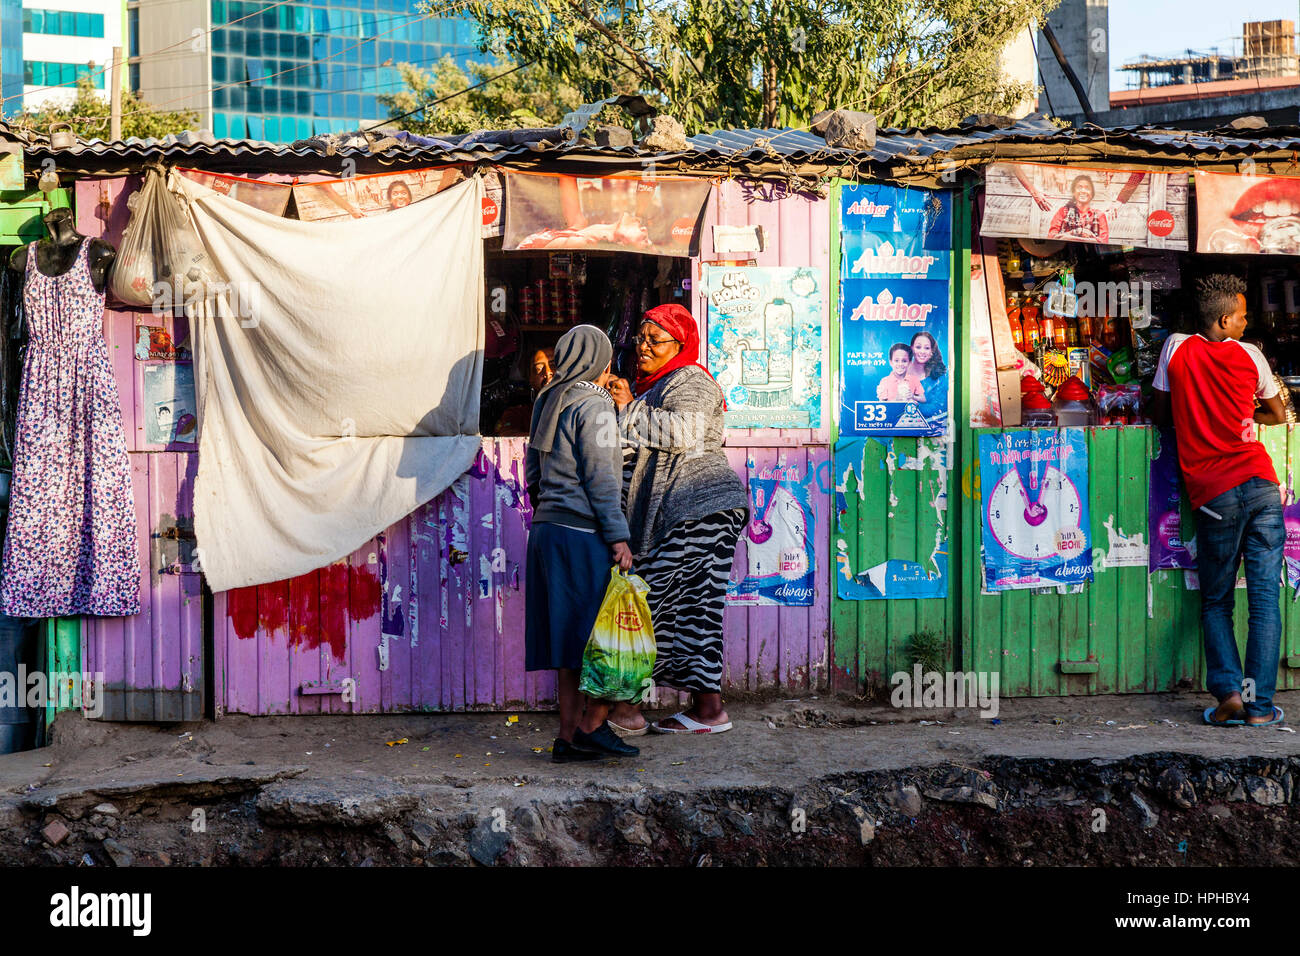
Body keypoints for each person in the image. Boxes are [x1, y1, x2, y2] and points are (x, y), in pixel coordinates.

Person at [1149, 273, 1288, 727]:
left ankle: (1230, 695)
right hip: (1263, 486)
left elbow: (1159, 410)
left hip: (1216, 496)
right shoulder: (1252, 358)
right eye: (1243, 316)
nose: (1248, 323)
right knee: (1265, 601)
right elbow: (1277, 412)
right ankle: (1260, 709)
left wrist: (1199, 409)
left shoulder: (1175, 348)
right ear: (1224, 320)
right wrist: (1240, 409)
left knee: (1217, 601)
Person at [605, 304, 748, 736]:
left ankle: (625, 710)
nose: (644, 347)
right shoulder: (658, 385)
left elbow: (685, 432)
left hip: (697, 506)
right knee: (692, 608)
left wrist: (628, 408)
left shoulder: (691, 380)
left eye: (656, 340)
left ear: (680, 345)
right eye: (641, 338)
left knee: (655, 603)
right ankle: (706, 710)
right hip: (682, 511)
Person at [525, 325, 640, 761]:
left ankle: (567, 738)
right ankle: (593, 726)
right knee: (599, 637)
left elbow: (533, 474)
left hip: (546, 531)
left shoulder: (546, 399)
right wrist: (618, 536)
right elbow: (602, 478)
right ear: (603, 362)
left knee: (569, 644)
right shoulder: (594, 404)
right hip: (580, 534)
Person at [1047, 174, 1109, 243]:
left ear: (1092, 194)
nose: (1083, 191)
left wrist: (1066, 237)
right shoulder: (1063, 211)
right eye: (1079, 187)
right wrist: (1077, 232)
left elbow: (1103, 241)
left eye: (1087, 188)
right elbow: (1052, 237)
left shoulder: (1099, 215)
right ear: (1073, 192)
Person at [908, 330, 947, 422]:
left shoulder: (939, 375)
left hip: (932, 428)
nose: (922, 352)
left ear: (932, 351)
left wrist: (912, 405)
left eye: (926, 348)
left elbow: (938, 407)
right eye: (918, 347)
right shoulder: (900, 370)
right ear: (911, 349)